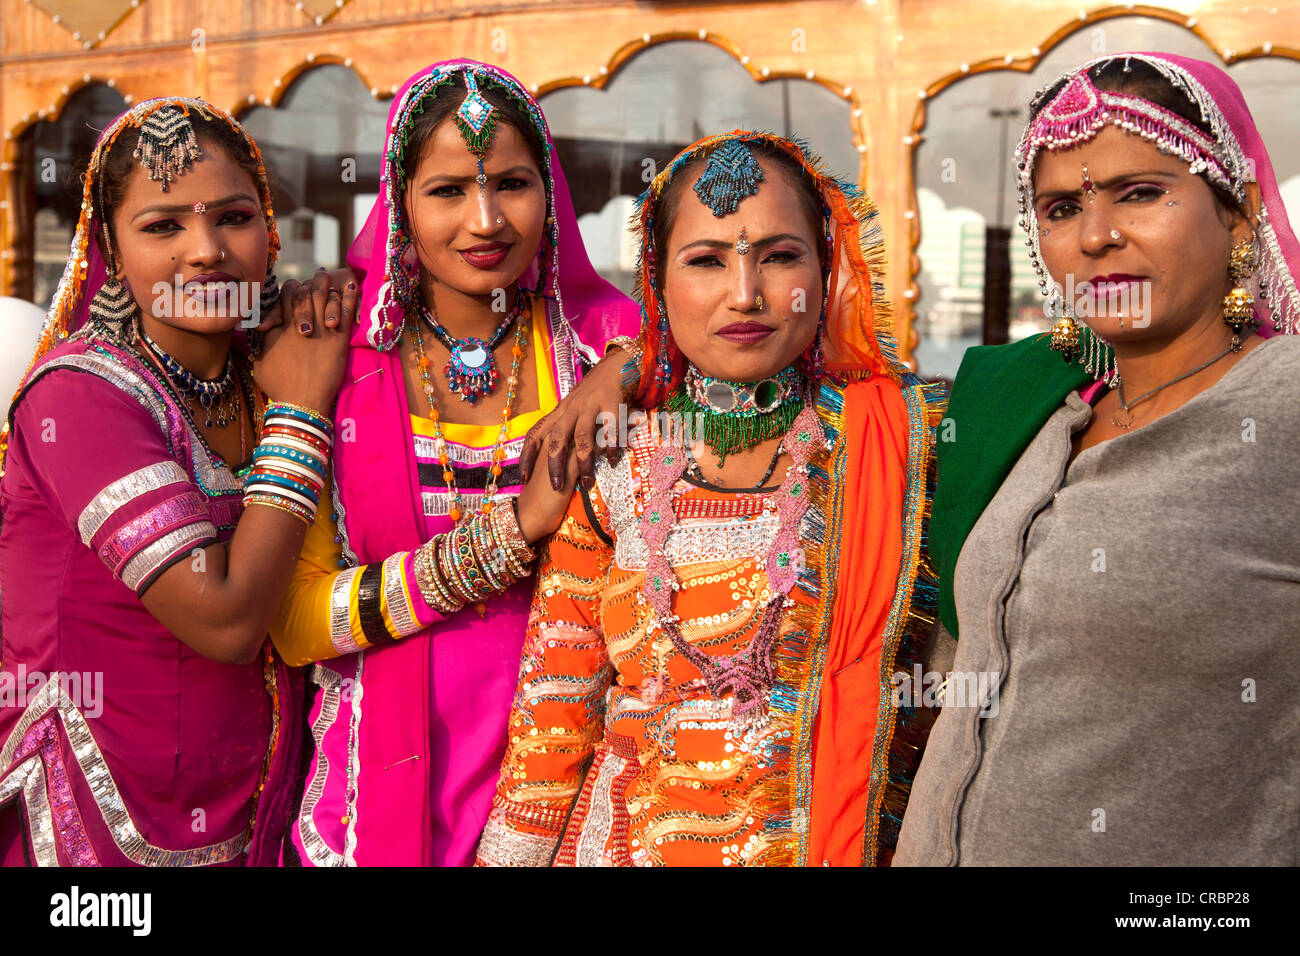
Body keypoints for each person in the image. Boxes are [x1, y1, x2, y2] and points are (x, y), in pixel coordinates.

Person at [476, 131, 945, 867]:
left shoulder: (902, 449)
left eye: (781, 256)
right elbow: (553, 724)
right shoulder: (612, 466)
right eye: (706, 261)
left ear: (827, 268)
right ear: (658, 283)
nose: (745, 294)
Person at [895, 53, 1300, 866]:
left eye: (1140, 193)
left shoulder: (1282, 406)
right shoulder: (1039, 410)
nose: (1094, 235)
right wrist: (626, 369)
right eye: (1060, 206)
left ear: (1241, 213)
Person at [268, 60, 642, 867]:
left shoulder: (608, 345)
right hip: (372, 808)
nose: (485, 220)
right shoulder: (332, 354)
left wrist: (634, 366)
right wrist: (508, 535)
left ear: (551, 193)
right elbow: (295, 625)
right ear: (399, 201)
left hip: (569, 796)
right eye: (446, 192)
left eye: (511, 183)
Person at [0, 97, 354, 866]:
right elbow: (225, 622)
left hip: (257, 800)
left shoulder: (262, 368)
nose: (205, 250)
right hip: (99, 812)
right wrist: (299, 412)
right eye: (163, 226)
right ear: (109, 247)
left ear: (269, 227)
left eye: (232, 217)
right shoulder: (80, 397)